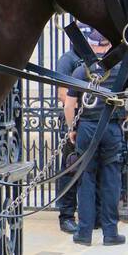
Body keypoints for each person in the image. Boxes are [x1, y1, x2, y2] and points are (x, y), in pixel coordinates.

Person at [63, 28, 128, 247]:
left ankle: (84, 233)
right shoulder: (124, 71)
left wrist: (71, 128)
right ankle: (110, 233)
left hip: (87, 128)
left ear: (92, 46)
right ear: (110, 47)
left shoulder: (81, 71)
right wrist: (121, 120)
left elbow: (69, 105)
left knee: (86, 179)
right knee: (111, 179)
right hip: (111, 128)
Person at [55, 37, 85, 234]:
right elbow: (62, 93)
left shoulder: (95, 60)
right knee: (70, 167)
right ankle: (66, 215)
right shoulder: (68, 59)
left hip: (91, 120)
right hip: (73, 119)